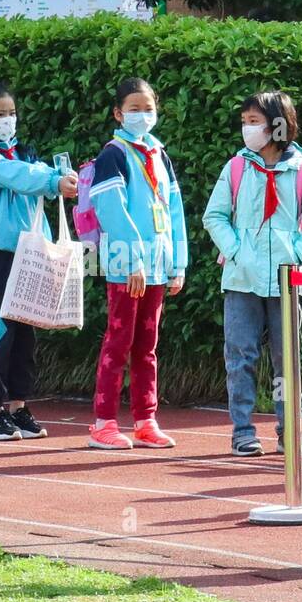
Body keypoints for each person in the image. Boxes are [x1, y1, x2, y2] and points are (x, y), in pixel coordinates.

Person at [203, 91, 302, 457]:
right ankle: (242, 432)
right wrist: (236, 251)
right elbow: (215, 216)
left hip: (288, 282)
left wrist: (297, 253)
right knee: (240, 356)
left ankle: (289, 430)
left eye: (255, 121)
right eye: (245, 122)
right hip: (242, 279)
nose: (248, 129)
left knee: (285, 359)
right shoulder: (237, 168)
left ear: (279, 124)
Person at [0, 81, 79, 441]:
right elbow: (18, 177)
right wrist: (51, 180)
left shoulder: (25, 154)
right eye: (0, 114)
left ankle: (18, 406)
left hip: (29, 252)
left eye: (12, 113)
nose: (8, 120)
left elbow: (39, 180)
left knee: (25, 331)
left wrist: (63, 180)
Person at [87, 77, 187, 450]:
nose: (142, 115)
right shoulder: (113, 154)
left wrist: (178, 263)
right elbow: (112, 210)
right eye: (134, 108)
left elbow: (173, 210)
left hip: (158, 267)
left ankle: (146, 420)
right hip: (126, 268)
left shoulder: (160, 154)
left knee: (147, 346)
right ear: (118, 113)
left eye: (148, 108)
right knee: (118, 342)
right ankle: (103, 423)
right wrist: (133, 261)